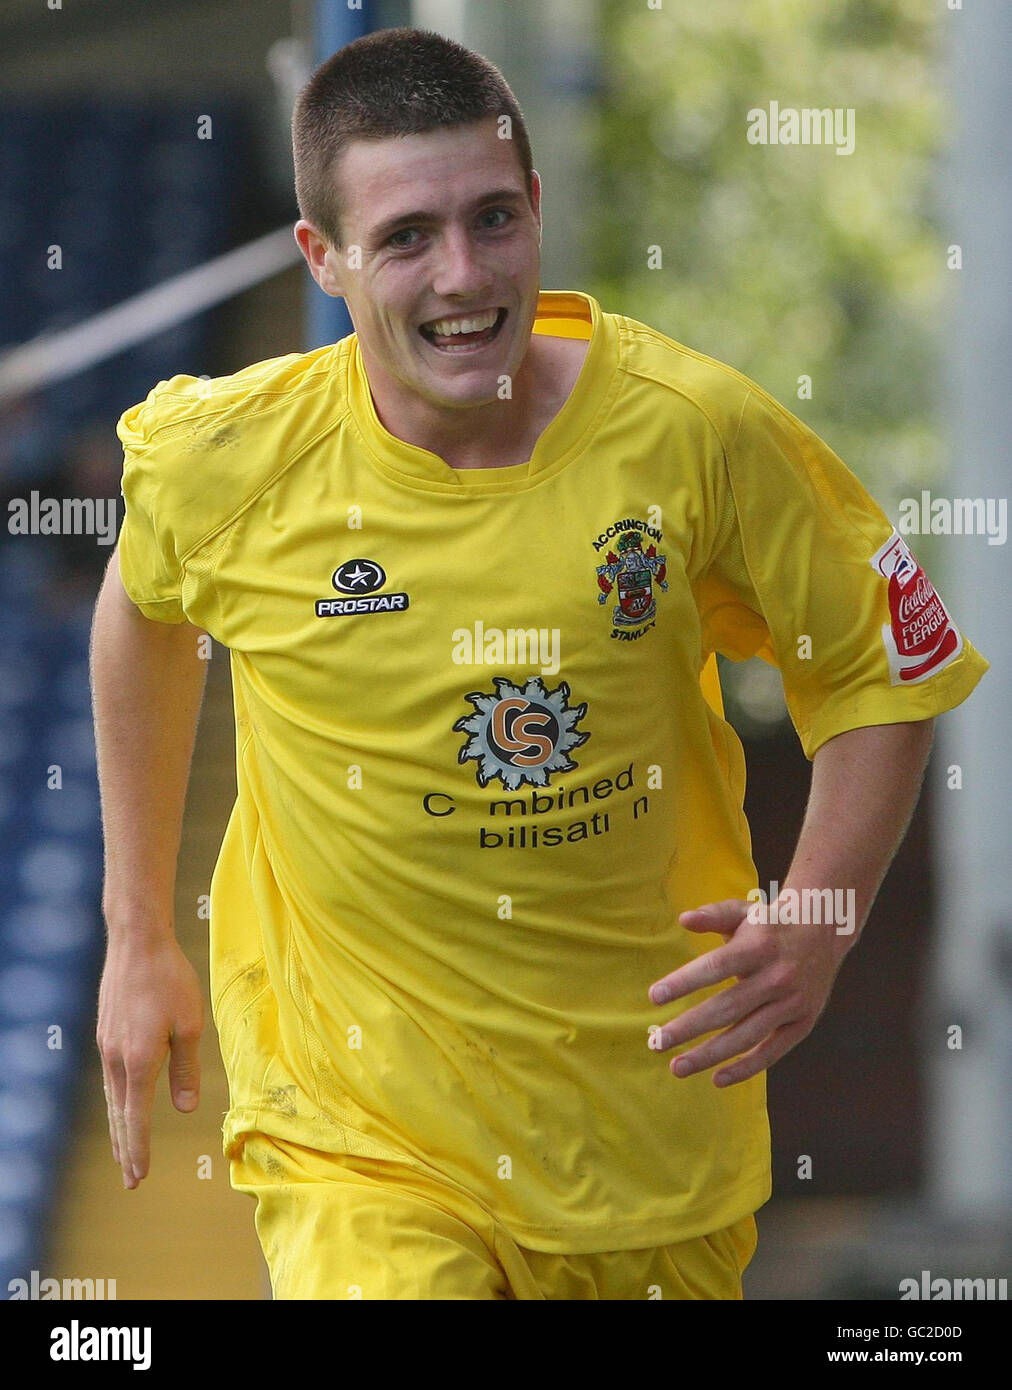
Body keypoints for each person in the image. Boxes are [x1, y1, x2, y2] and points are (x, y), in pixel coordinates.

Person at [91, 26, 989, 1301]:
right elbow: (139, 608)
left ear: (536, 212)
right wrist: (139, 933)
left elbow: (882, 670)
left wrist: (817, 919)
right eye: (405, 236)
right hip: (361, 1139)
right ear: (323, 259)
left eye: (492, 219)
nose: (462, 274)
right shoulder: (226, 459)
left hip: (646, 1136)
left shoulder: (698, 436)